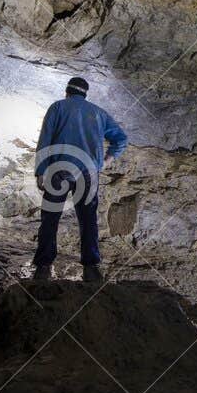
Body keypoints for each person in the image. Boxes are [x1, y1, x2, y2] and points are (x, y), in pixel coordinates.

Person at [32, 76, 127, 282]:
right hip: (89, 172)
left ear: (67, 92)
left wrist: (41, 170)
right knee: (88, 220)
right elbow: (121, 139)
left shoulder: (57, 107)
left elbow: (45, 139)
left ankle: (43, 267)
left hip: (60, 169)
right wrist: (106, 161)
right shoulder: (99, 113)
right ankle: (91, 268)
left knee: (50, 219)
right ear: (85, 94)